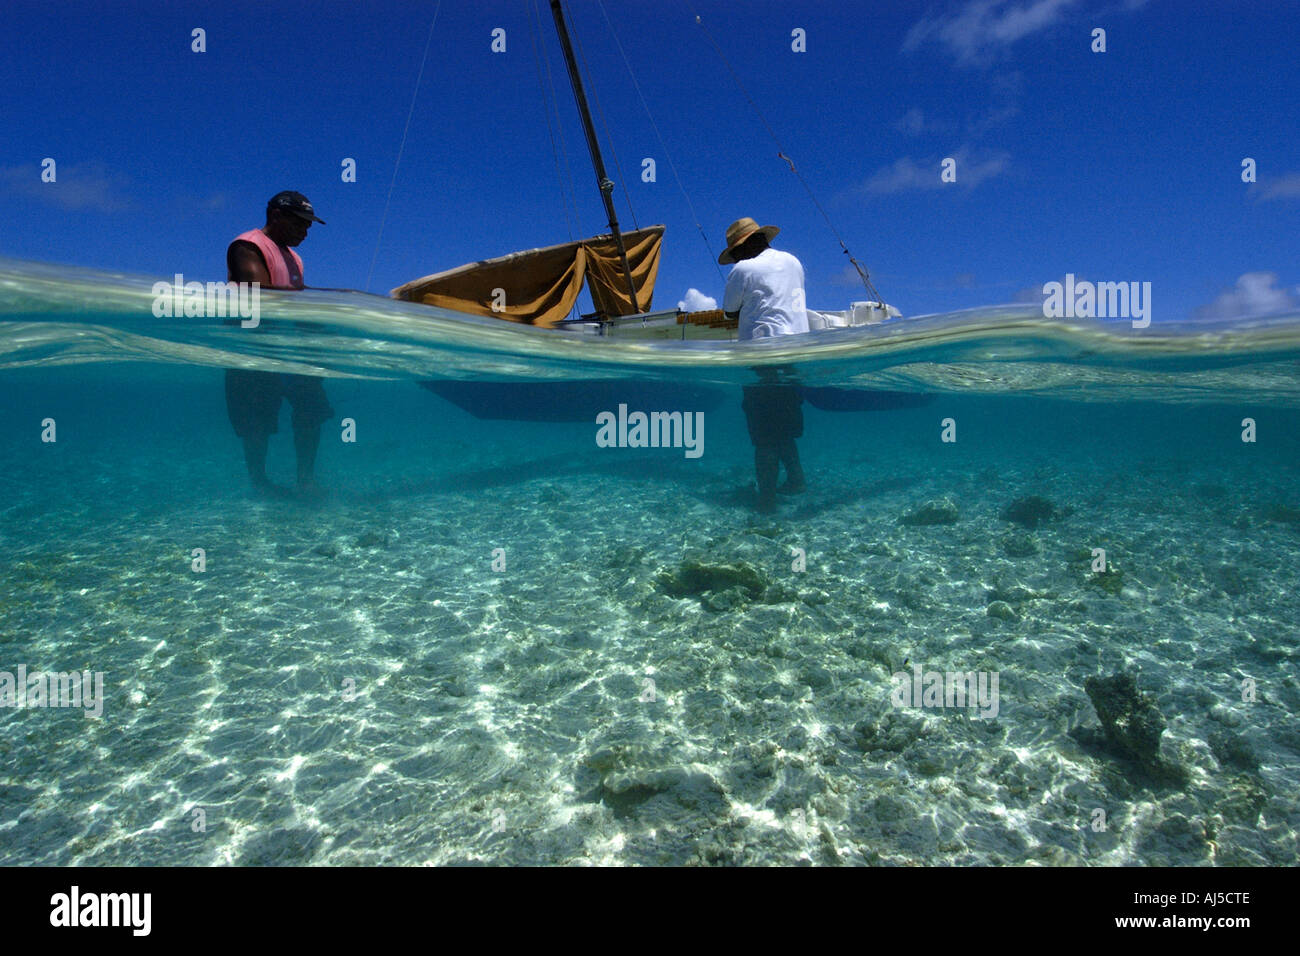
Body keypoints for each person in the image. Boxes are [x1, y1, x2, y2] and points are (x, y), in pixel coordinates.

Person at [224, 191, 333, 499]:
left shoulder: (295, 258)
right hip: (250, 348)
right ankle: (260, 483)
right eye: (300, 223)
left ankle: (305, 480)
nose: (306, 231)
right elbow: (259, 293)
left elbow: (296, 304)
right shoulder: (247, 246)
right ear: (276, 216)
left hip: (288, 348)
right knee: (256, 420)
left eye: (309, 225)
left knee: (311, 408)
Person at [720, 217, 809, 513]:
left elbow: (730, 313)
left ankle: (766, 502)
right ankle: (797, 481)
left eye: (734, 253)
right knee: (782, 427)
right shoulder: (793, 261)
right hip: (796, 355)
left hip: (764, 357)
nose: (735, 258)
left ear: (742, 248)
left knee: (764, 436)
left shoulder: (744, 269)